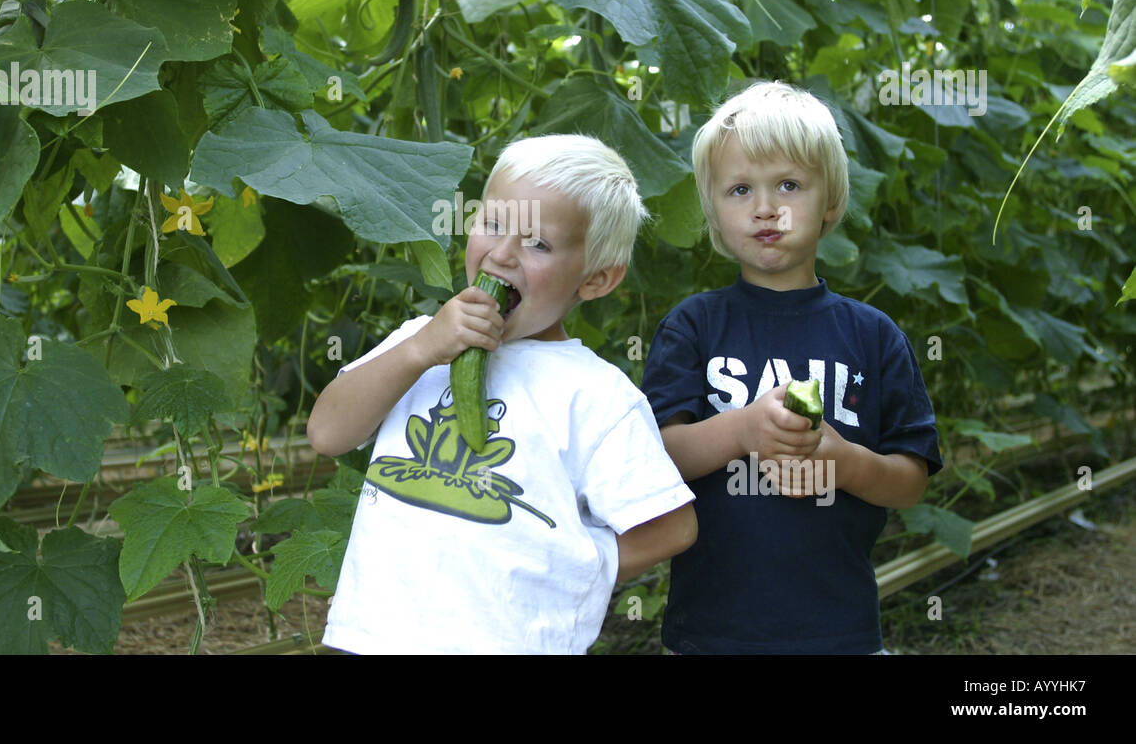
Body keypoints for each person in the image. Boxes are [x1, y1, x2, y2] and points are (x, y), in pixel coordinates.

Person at [308, 133, 697, 654]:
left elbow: (673, 527)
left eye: (538, 243)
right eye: (493, 224)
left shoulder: (597, 395)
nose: (504, 253)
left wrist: (578, 564)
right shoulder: (416, 343)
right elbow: (327, 434)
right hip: (371, 637)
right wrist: (421, 349)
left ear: (596, 279)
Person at [640, 81, 943, 654]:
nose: (764, 207)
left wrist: (844, 462)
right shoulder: (693, 326)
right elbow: (657, 452)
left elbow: (911, 480)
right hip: (710, 634)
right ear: (713, 210)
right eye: (738, 190)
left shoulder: (873, 336)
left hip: (839, 633)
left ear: (829, 201)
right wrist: (743, 429)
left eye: (788, 184)